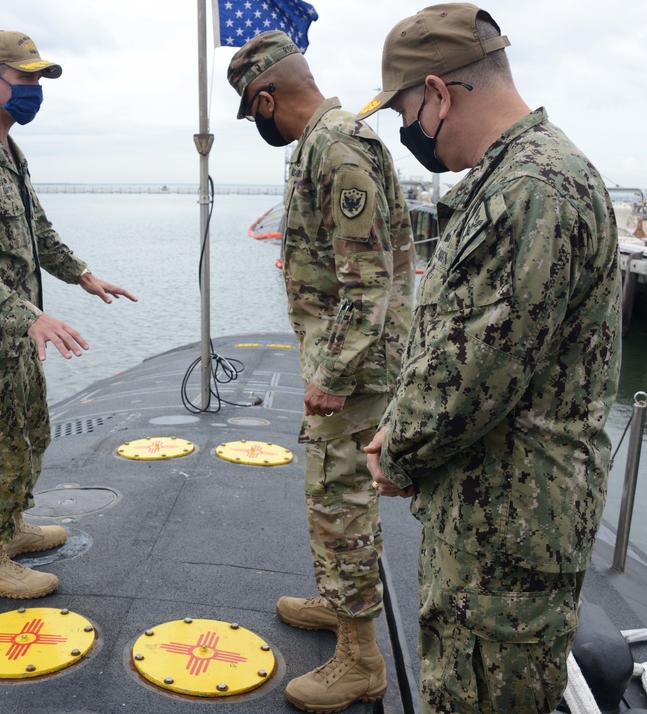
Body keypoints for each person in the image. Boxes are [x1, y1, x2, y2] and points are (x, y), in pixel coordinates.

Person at [360, 4, 622, 712]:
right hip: (499, 514)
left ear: (440, 93)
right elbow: (469, 345)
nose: (408, 131)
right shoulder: (530, 174)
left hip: (506, 530)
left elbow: (471, 379)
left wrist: (400, 452)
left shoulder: (526, 191)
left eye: (407, 112)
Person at [227, 31, 416, 712]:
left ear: (269, 96)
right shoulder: (325, 142)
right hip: (346, 356)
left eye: (256, 113)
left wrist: (332, 373)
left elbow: (368, 284)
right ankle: (341, 606)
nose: (261, 125)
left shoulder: (336, 146)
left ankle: (361, 658)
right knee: (328, 494)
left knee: (341, 501)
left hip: (357, 370)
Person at [0, 31, 137, 600]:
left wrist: (81, 274)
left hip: (16, 330)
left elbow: (35, 230)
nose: (35, 91)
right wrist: (30, 317)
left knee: (31, 433)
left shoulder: (8, 151)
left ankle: (10, 528)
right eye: (26, 79)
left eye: (39, 80)